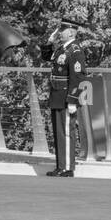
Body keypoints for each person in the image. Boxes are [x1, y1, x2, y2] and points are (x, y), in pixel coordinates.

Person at [42, 16, 95, 177]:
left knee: (66, 132)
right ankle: (60, 166)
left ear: (71, 32)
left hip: (66, 97)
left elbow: (78, 77)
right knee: (58, 133)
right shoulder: (61, 48)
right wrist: (49, 43)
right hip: (57, 95)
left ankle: (67, 168)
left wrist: (72, 100)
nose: (60, 32)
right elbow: (46, 57)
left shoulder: (75, 51)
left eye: (63, 30)